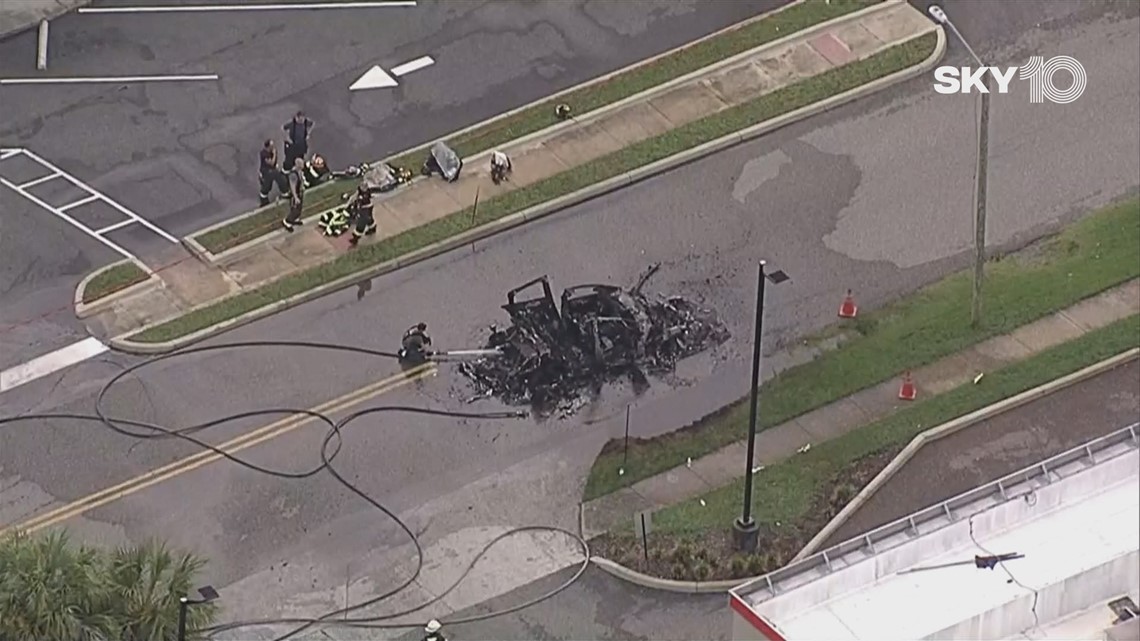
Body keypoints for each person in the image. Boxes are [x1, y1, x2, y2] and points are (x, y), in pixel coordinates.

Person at [258, 139, 286, 207]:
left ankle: (284, 190)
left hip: (272, 171)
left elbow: (274, 163)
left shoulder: (271, 151)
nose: (273, 147)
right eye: (271, 146)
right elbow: (271, 163)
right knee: (267, 185)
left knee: (279, 178)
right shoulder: (264, 154)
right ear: (268, 147)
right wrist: (274, 154)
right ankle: (263, 199)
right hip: (266, 171)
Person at [281, 158, 306, 232]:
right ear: (298, 165)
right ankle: (287, 221)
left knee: (299, 208)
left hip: (300, 192)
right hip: (295, 194)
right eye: (301, 164)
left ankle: (295, 219)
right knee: (295, 209)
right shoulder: (293, 175)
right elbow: (292, 187)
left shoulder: (299, 172)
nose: (303, 165)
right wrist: (295, 197)